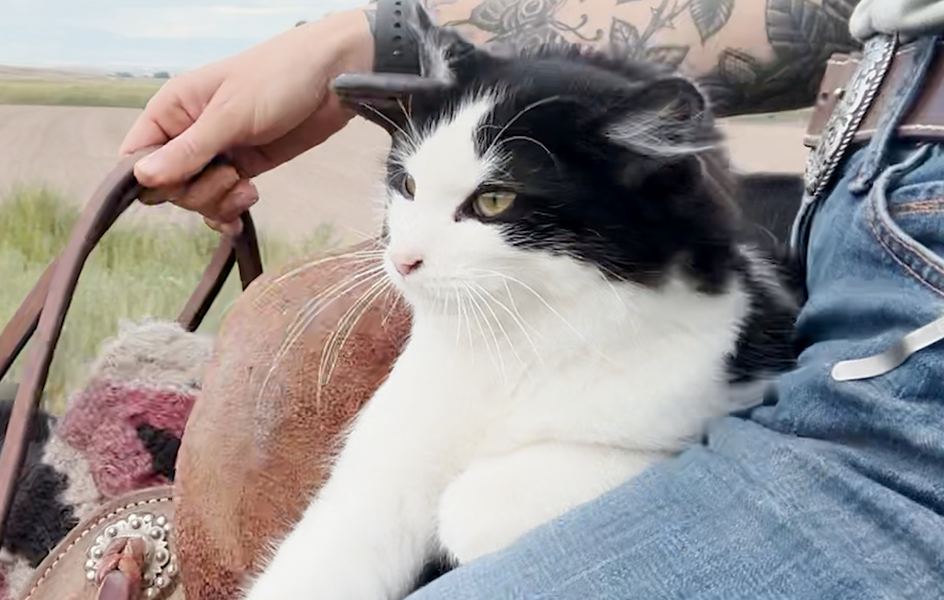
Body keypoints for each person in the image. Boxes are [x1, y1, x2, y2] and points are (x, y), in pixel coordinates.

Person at [120, 1, 944, 598]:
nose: (398, 255)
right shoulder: (442, 269)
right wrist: (371, 32)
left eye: (491, 203)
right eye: (405, 187)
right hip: (865, 182)